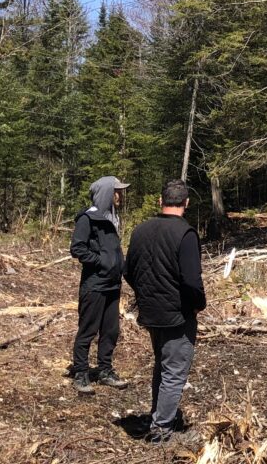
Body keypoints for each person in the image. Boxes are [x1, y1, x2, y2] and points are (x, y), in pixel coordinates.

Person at [125, 180, 207, 445]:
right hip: (177, 314)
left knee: (163, 366)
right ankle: (161, 430)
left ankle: (158, 418)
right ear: (186, 203)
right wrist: (198, 304)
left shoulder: (141, 230)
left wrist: (145, 294)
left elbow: (128, 271)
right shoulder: (185, 234)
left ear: (160, 201)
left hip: (151, 311)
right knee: (173, 372)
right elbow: (192, 281)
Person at [67, 176, 130, 395]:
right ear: (106, 193)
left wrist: (120, 266)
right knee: (88, 330)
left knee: (110, 331)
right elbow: (77, 249)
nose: (120, 195)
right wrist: (102, 261)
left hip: (112, 284)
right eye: (117, 191)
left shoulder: (112, 217)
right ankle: (81, 372)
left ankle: (105, 370)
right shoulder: (88, 218)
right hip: (94, 284)